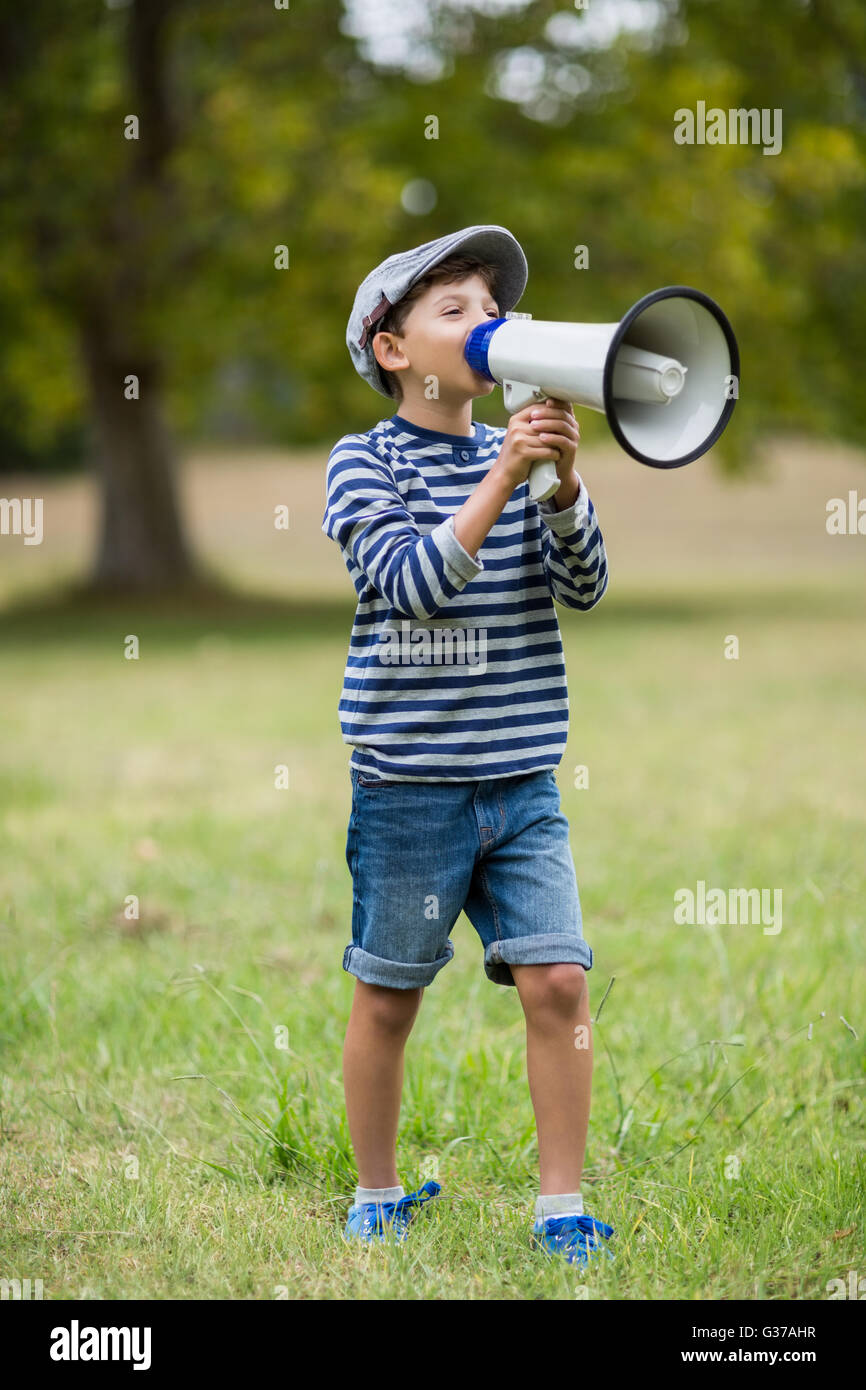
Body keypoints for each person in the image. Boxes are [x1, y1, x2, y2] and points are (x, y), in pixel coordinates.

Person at [321, 225, 614, 1266]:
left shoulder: (530, 451)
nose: (482, 324)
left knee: (559, 984)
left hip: (521, 775)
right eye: (453, 309)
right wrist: (498, 479)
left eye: (490, 308)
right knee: (390, 992)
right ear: (390, 347)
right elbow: (408, 585)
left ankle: (560, 1205)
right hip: (409, 785)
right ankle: (375, 1190)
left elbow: (584, 588)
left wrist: (564, 488)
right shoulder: (363, 461)